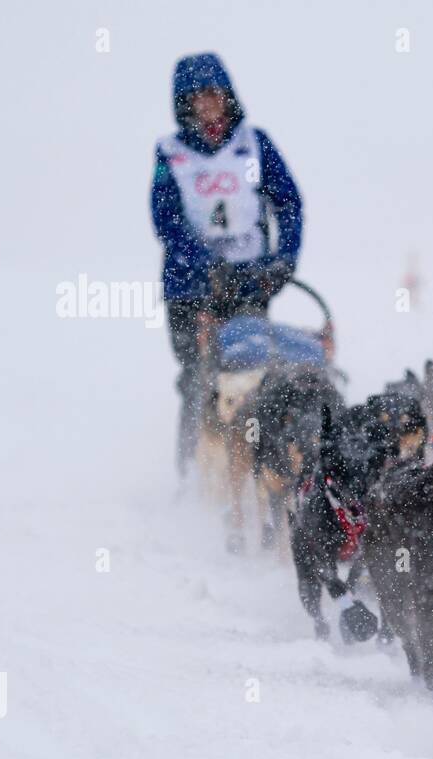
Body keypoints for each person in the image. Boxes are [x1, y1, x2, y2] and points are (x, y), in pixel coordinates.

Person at [150, 52, 304, 480]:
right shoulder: (171, 153)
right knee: (200, 376)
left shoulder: (254, 144)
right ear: (184, 105)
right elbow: (167, 220)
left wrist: (284, 258)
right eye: (196, 99)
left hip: (249, 283)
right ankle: (194, 472)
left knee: (249, 376)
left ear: (228, 97)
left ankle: (250, 472)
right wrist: (205, 265)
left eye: (214, 96)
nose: (207, 107)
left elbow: (288, 203)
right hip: (188, 288)